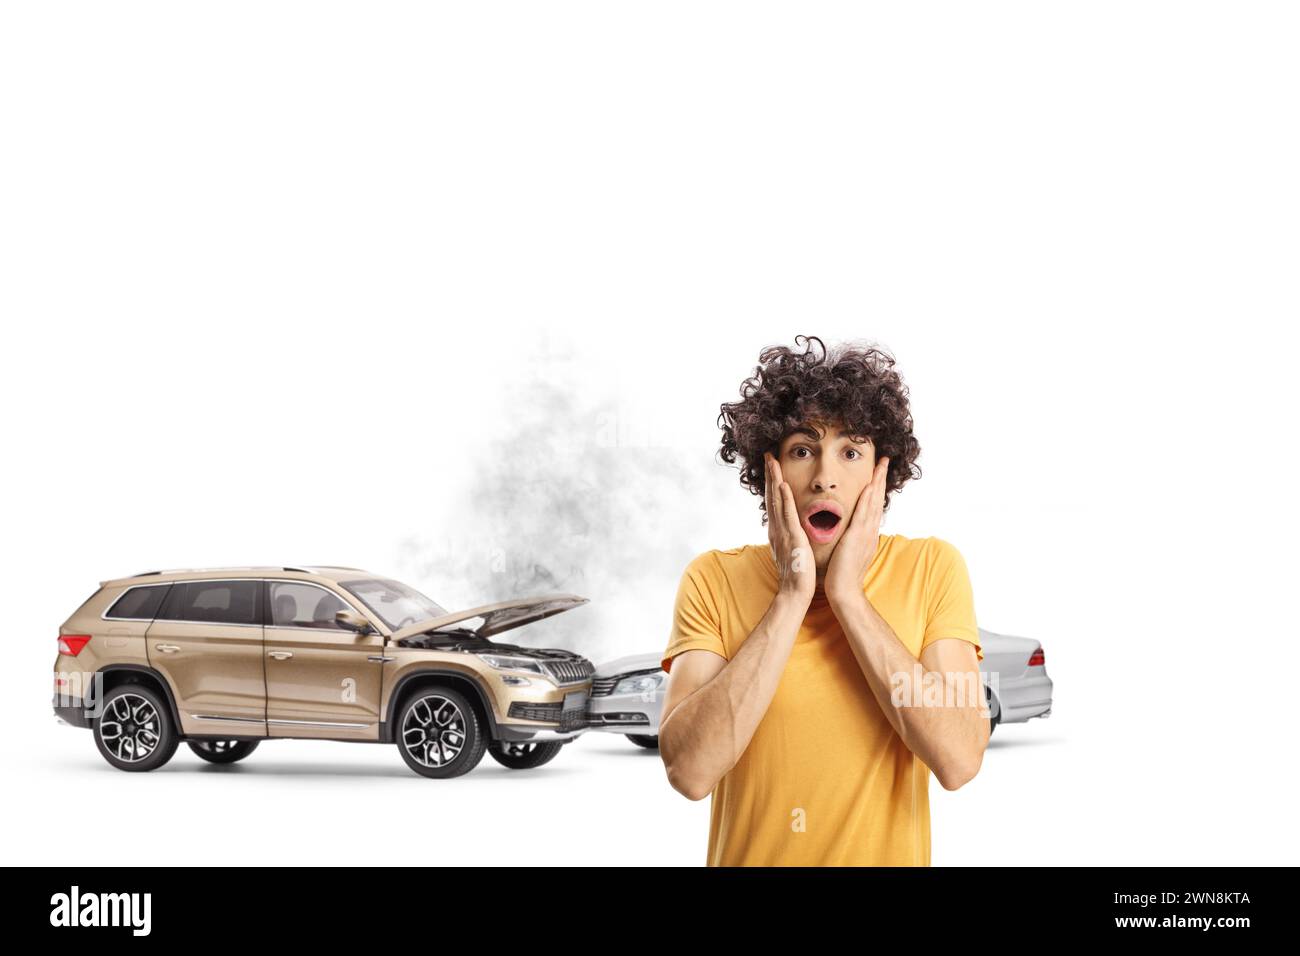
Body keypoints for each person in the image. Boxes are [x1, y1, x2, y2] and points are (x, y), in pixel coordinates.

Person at [658, 334, 989, 866]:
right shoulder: (713, 579)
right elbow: (690, 773)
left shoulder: (932, 569)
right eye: (802, 450)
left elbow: (959, 759)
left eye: (851, 452)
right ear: (770, 471)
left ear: (880, 474)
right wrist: (792, 596)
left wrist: (847, 598)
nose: (824, 478)